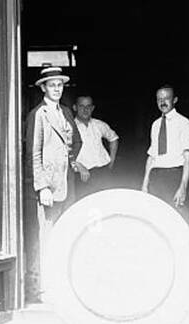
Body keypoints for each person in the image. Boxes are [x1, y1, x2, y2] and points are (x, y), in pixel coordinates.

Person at [25, 64, 81, 300]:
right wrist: (42, 186)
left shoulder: (66, 112)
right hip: (49, 187)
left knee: (66, 232)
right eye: (52, 85)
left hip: (67, 184)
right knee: (45, 236)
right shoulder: (38, 114)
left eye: (60, 85)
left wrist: (71, 161)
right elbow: (33, 153)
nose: (57, 89)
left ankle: (62, 282)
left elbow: (77, 141)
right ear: (43, 88)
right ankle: (43, 287)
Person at [140, 85, 189, 236]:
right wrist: (145, 184)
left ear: (175, 100)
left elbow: (188, 156)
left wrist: (183, 186)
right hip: (156, 177)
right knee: (156, 219)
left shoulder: (184, 123)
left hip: (174, 175)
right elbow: (152, 157)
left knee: (180, 218)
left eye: (166, 98)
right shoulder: (155, 124)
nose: (162, 102)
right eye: (159, 99)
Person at [73, 94, 119, 199]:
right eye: (81, 106)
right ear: (75, 107)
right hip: (83, 176)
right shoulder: (69, 127)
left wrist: (111, 160)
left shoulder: (99, 124)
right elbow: (63, 152)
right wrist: (78, 165)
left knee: (106, 205)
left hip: (103, 173)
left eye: (88, 106)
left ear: (92, 108)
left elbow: (114, 139)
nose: (85, 110)